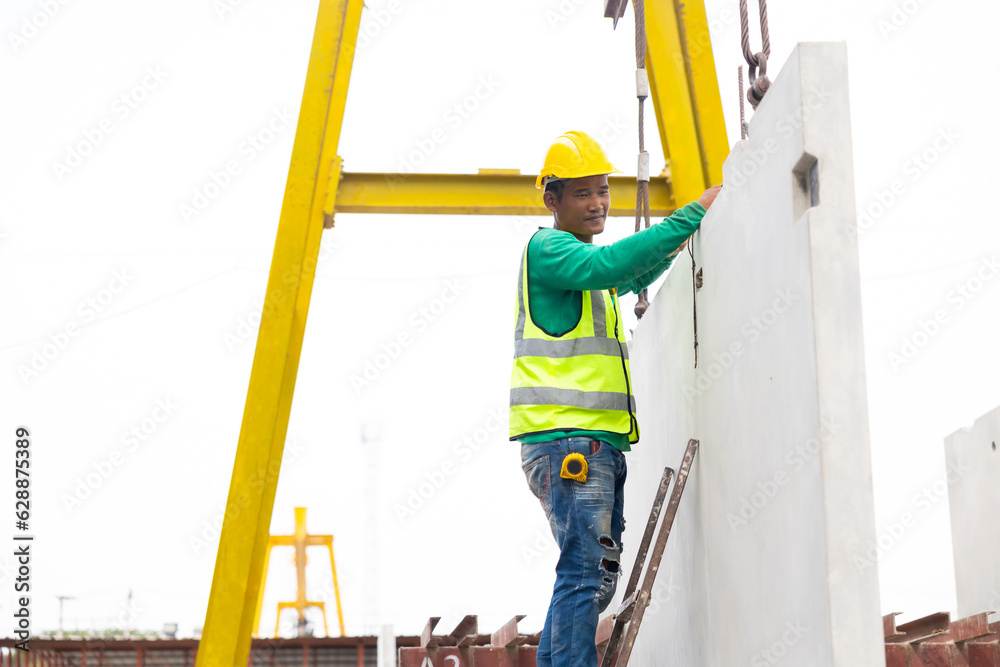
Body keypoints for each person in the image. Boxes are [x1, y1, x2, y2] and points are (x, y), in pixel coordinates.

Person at [511, 130, 721, 666]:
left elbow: (628, 272)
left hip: (587, 445)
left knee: (592, 575)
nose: (598, 203)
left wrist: (678, 240)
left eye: (603, 190)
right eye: (582, 193)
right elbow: (610, 267)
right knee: (585, 571)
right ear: (551, 200)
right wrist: (689, 216)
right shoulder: (550, 250)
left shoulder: (581, 269)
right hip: (568, 443)